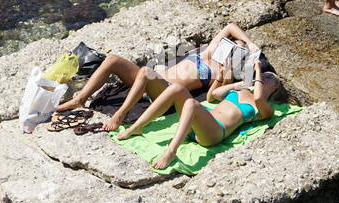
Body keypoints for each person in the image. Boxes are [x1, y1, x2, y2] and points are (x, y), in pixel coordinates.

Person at [56, 23, 260, 131]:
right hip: (148, 80)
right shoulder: (209, 53)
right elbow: (230, 26)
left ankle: (121, 114)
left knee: (146, 71)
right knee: (112, 60)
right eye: (233, 46)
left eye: (238, 51)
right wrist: (248, 42)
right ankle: (80, 99)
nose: (234, 49)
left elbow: (214, 95)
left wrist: (231, 72)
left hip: (162, 92)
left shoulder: (222, 72)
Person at [116, 62, 281, 171]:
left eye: (270, 77)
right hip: (196, 123)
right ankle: (137, 127)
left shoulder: (266, 109)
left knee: (192, 104)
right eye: (263, 75)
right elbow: (212, 96)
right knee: (177, 89)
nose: (264, 76)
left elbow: (259, 97)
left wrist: (258, 70)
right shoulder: (242, 91)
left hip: (214, 133)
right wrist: (234, 83)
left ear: (275, 87)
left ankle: (171, 152)